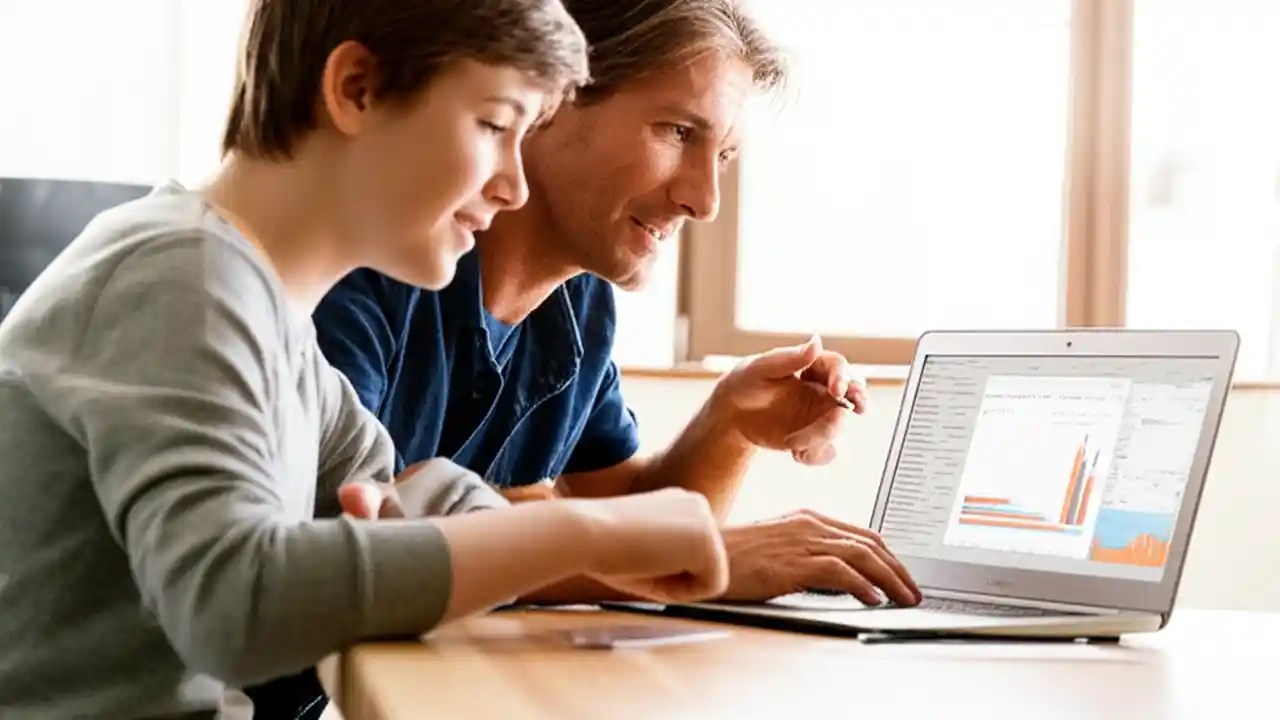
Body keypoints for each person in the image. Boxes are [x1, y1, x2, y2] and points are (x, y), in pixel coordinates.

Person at [0, 1, 732, 717]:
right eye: (495, 125)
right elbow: (233, 610)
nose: (512, 185)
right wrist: (586, 534)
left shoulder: (270, 313)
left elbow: (402, 494)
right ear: (357, 90)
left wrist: (447, 526)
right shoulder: (182, 279)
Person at [316, 0, 923, 608]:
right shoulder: (363, 272)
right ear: (549, 98)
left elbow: (624, 523)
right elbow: (352, 539)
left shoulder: (580, 304)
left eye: (725, 155)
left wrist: (731, 422)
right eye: (677, 132)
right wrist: (708, 554)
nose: (704, 199)